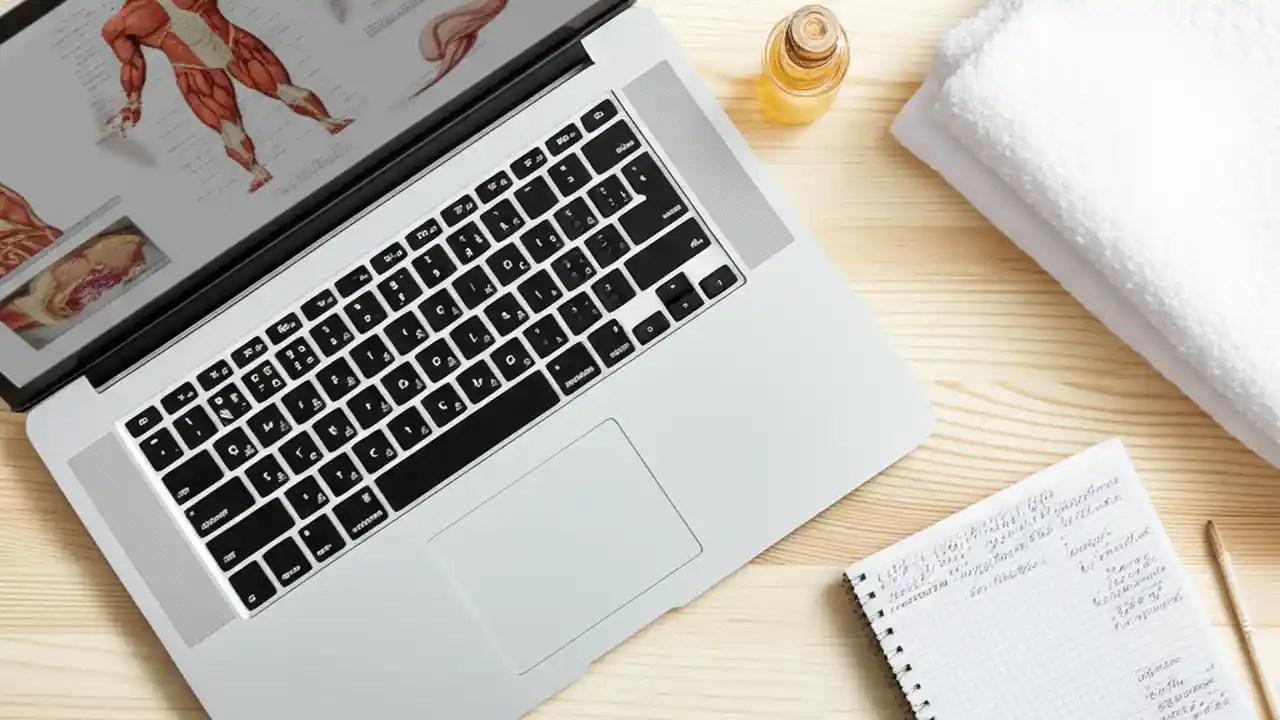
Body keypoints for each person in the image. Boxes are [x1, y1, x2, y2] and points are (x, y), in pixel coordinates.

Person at [102, 0, 355, 193]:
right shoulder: (120, 23)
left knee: (283, 89)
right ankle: (258, 172)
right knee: (228, 126)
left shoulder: (123, 22)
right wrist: (133, 102)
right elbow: (131, 63)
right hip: (193, 68)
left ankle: (330, 122)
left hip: (232, 41)